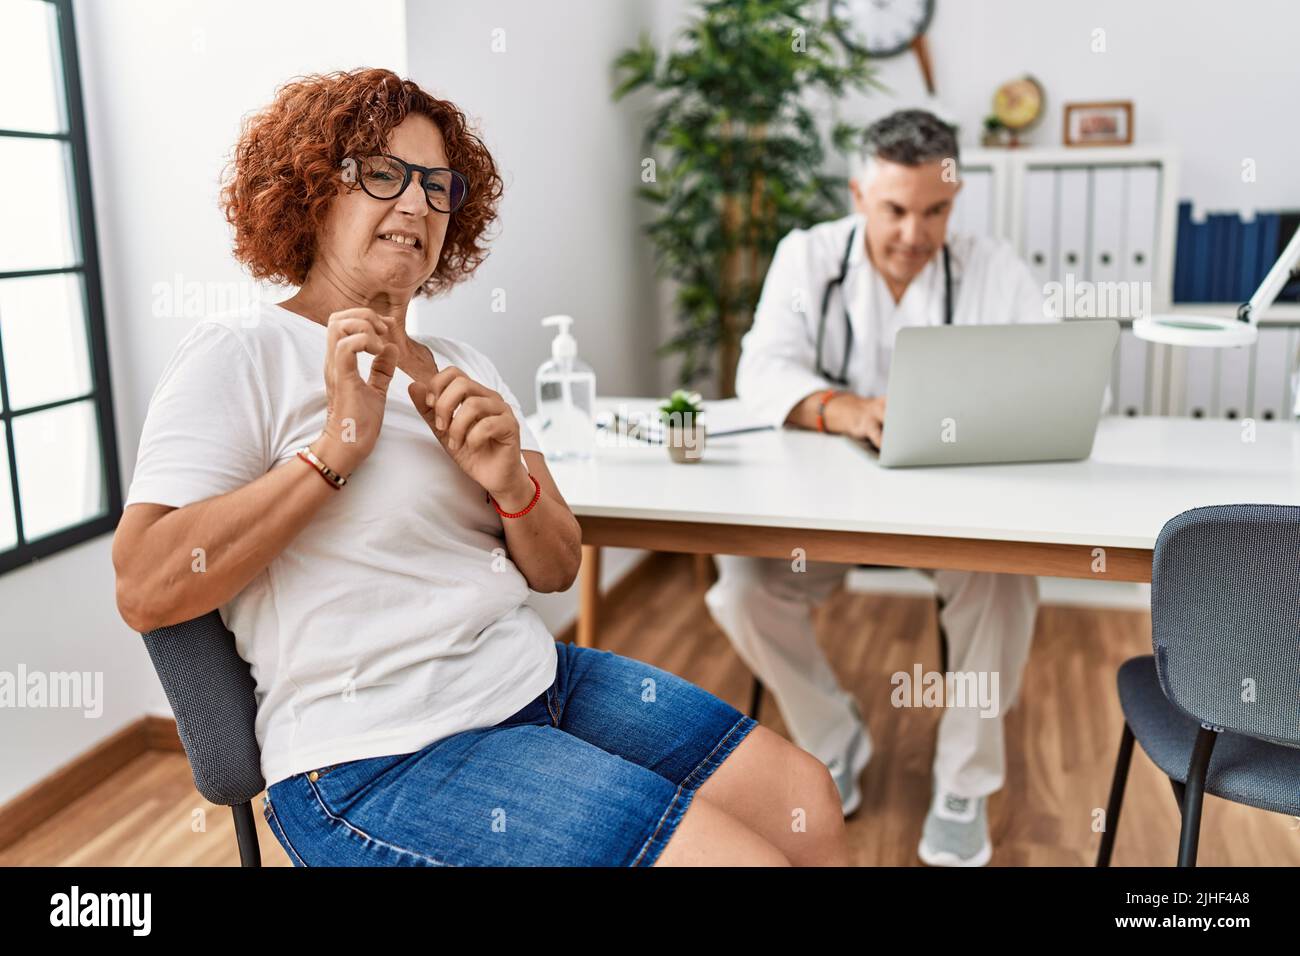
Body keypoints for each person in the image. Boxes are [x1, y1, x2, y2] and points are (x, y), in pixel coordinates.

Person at [112, 68, 847, 867]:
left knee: (806, 801)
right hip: (378, 754)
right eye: (383, 173)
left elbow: (559, 567)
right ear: (314, 190)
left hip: (537, 680)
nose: (416, 204)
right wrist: (333, 453)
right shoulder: (242, 351)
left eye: (437, 186)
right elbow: (147, 585)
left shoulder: (465, 365)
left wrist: (511, 485)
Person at [704, 109, 1055, 867]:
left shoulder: (991, 266)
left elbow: (1049, 371)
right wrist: (843, 408)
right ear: (860, 192)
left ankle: (964, 783)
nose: (913, 233)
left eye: (936, 211)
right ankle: (835, 736)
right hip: (824, 518)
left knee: (1001, 584)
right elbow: (761, 370)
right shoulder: (808, 256)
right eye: (895, 209)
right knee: (742, 587)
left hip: (952, 515)